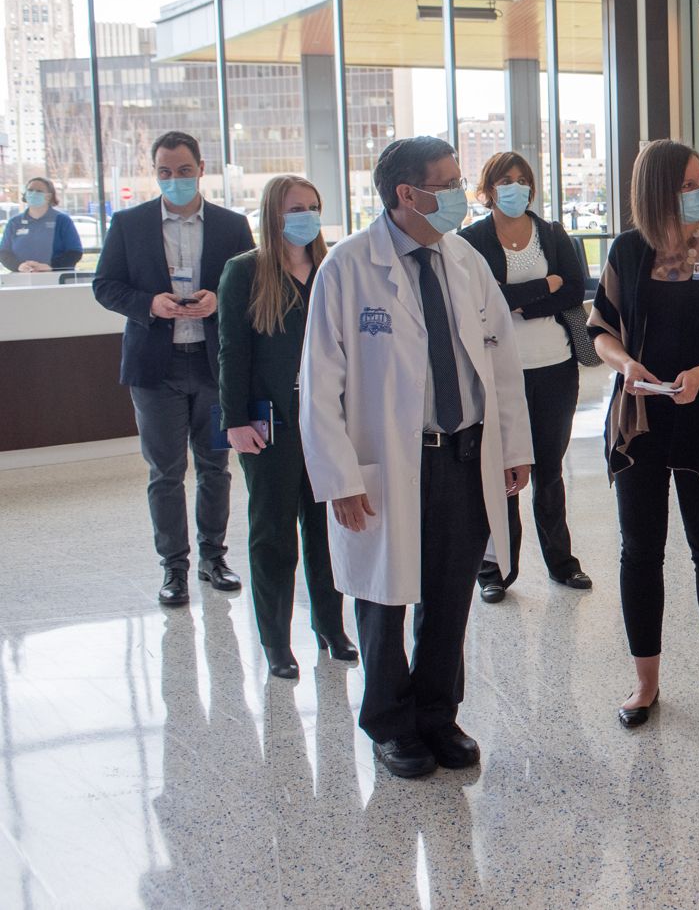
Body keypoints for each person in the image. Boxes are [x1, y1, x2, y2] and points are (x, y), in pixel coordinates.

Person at [299, 136, 533, 779]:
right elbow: (319, 386)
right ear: (407, 193)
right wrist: (339, 478)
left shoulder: (464, 259)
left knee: (450, 595)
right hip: (386, 464)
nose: (461, 193)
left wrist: (513, 447)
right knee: (383, 598)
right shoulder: (348, 267)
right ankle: (390, 723)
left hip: (463, 454)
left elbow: (500, 363)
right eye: (448, 183)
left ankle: (437, 714)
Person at [587, 139, 699, 729]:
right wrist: (626, 366)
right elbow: (600, 331)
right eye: (686, 185)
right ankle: (645, 682)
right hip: (640, 420)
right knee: (639, 551)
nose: (698, 193)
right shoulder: (627, 250)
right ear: (658, 191)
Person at [93, 131, 255, 605]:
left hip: (213, 366)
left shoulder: (231, 226)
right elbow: (105, 285)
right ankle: (174, 568)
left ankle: (213, 558)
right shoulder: (129, 224)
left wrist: (218, 299)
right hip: (155, 370)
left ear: (201, 169)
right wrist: (150, 304)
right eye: (165, 172)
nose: (175, 179)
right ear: (155, 173)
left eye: (184, 171)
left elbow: (252, 286)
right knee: (165, 472)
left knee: (215, 468)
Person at [217, 174, 355, 681]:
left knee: (327, 531)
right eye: (296, 208)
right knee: (273, 535)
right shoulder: (245, 272)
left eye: (314, 207)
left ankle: (330, 627)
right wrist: (234, 422)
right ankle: (276, 640)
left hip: (327, 422)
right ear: (273, 214)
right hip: (268, 425)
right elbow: (231, 352)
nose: (307, 217)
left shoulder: (332, 268)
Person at [458, 151, 592, 600]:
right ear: (488, 188)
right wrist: (542, 287)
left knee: (550, 471)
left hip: (555, 365)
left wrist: (519, 303)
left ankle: (562, 563)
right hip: (499, 370)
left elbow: (574, 289)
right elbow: (482, 299)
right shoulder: (471, 240)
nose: (515, 187)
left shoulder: (551, 234)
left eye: (522, 179)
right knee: (503, 472)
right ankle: (495, 570)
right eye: (505, 180)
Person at [1, 177, 83, 272]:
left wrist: (51, 266)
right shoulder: (14, 222)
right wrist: (19, 266)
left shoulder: (62, 220)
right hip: (22, 275)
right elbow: (3, 252)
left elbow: (74, 252)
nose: (33, 194)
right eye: (30, 190)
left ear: (49, 196)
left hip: (55, 275)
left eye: (39, 191)